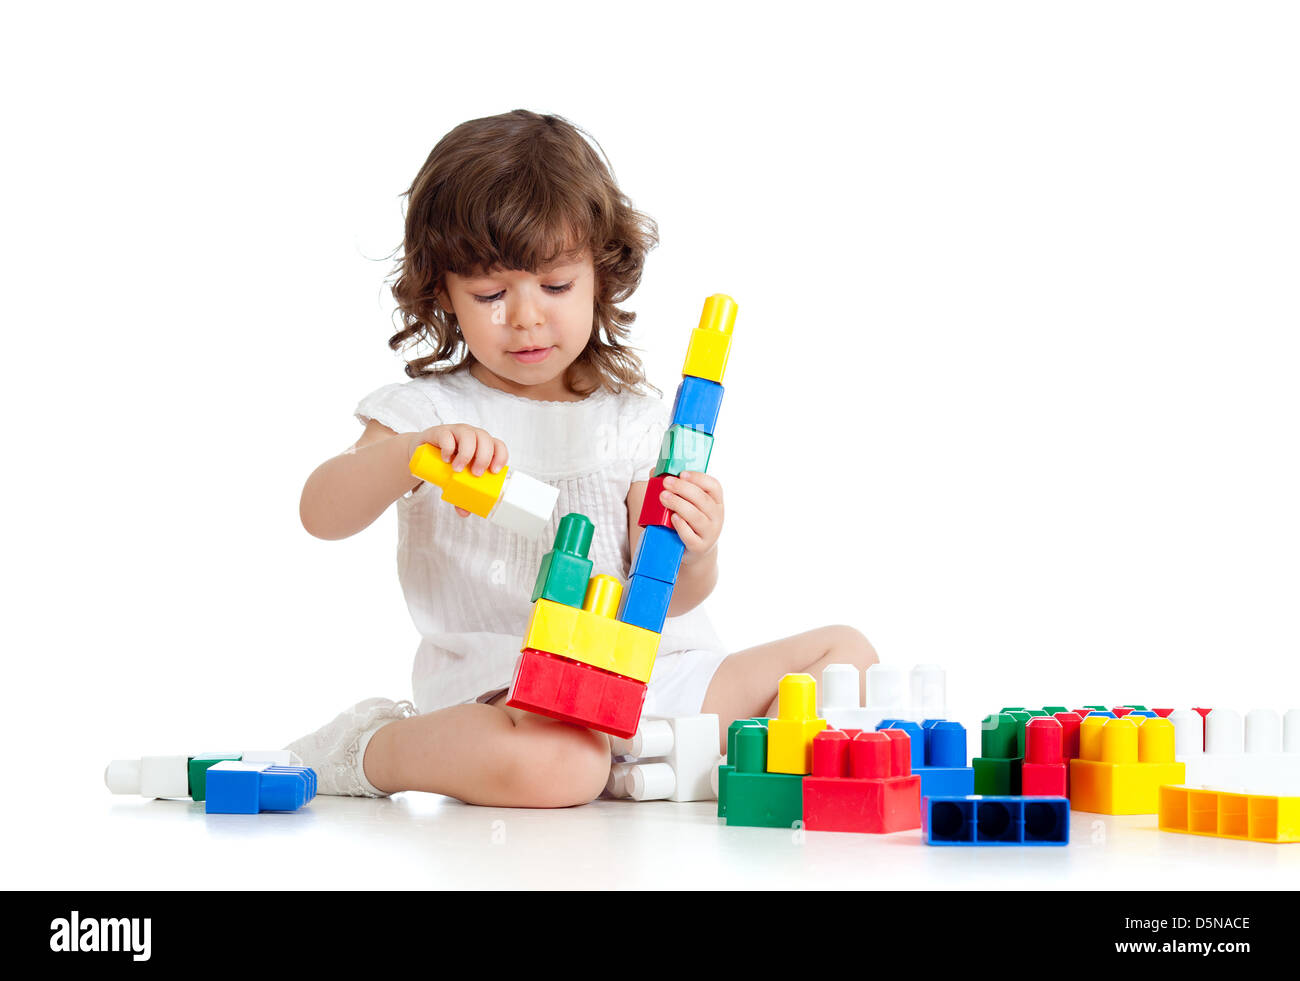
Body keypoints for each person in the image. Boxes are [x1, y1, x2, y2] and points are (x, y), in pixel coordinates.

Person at [290, 109, 877, 808]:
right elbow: (319, 512)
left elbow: (669, 593)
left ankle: (714, 769)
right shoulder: (426, 417)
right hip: (515, 690)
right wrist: (407, 458)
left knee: (848, 655)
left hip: (654, 675)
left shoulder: (631, 417)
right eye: (489, 294)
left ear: (601, 274)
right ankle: (372, 748)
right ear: (441, 292)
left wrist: (699, 550)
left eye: (556, 286)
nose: (527, 316)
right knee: (562, 766)